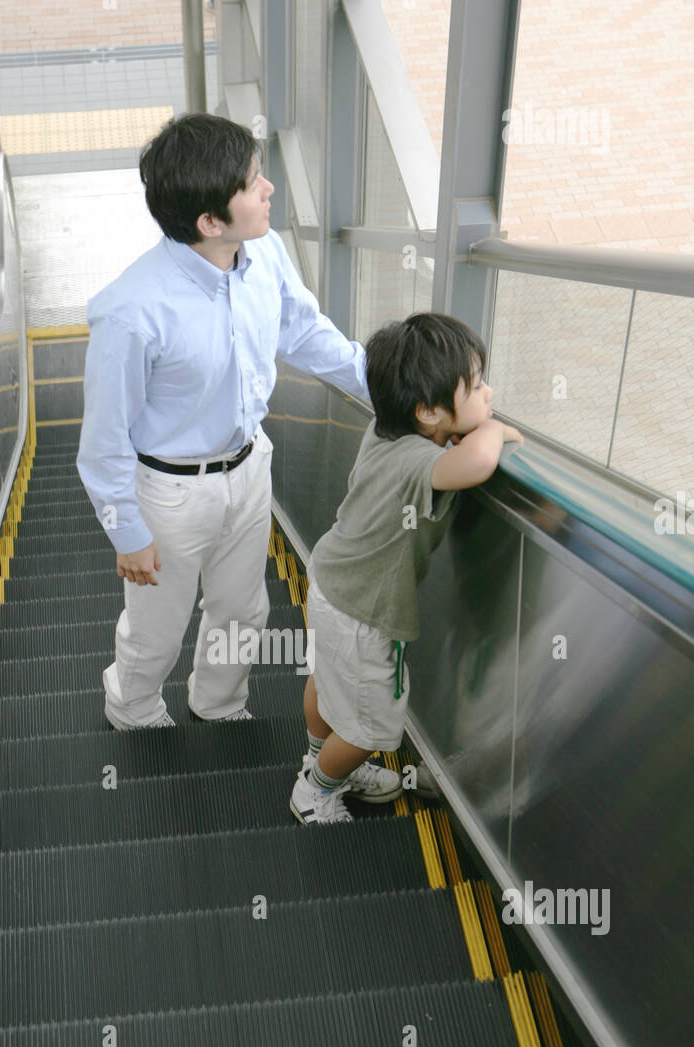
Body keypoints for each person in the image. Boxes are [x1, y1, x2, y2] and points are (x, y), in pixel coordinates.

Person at [76, 113, 371, 729]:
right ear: (209, 222)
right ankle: (132, 711)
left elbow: (302, 329)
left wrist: (385, 388)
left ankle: (218, 703)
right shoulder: (131, 312)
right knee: (157, 629)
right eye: (254, 182)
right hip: (169, 491)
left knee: (243, 611)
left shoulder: (266, 251)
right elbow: (104, 440)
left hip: (249, 466)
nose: (268, 191)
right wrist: (126, 530)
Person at [290, 312, 524, 825]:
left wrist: (464, 420)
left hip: (330, 583)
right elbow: (478, 465)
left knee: (328, 684)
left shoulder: (385, 428)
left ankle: (320, 760)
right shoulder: (416, 462)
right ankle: (316, 790)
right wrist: (496, 428)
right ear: (428, 412)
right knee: (369, 724)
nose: (489, 394)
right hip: (363, 611)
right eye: (478, 386)